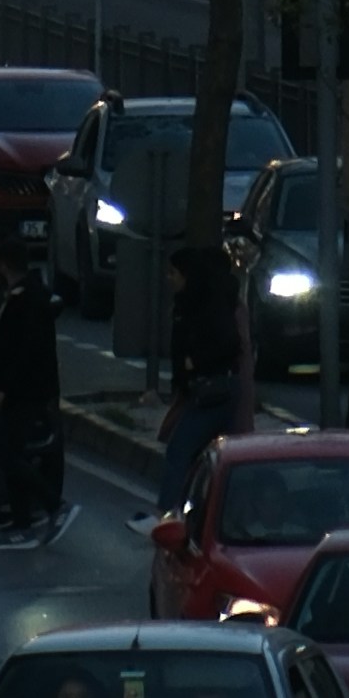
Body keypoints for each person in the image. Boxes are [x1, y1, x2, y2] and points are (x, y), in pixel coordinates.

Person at [151, 226, 248, 527]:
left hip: (212, 389)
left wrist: (196, 364)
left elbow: (228, 345)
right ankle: (217, 518)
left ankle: (170, 515)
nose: (170, 281)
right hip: (212, 388)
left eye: (174, 274)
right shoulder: (202, 303)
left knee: (180, 450)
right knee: (217, 458)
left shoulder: (204, 307)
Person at [0, 241, 66, 541]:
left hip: (26, 391)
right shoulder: (15, 296)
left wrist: (3, 387)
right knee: (6, 452)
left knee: (9, 454)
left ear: (2, 264)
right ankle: (22, 521)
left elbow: (24, 350)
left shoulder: (27, 298)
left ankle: (52, 505)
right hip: (20, 390)